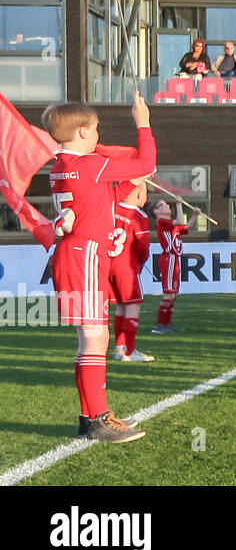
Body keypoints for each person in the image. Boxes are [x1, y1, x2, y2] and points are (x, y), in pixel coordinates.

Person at [43, 92, 155, 443]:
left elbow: (102, 195)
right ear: (80, 133)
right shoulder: (89, 164)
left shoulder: (63, 167)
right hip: (85, 256)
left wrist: (127, 181)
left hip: (76, 254)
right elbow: (146, 162)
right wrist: (143, 122)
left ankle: (91, 415)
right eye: (94, 130)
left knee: (91, 339)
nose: (98, 136)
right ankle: (97, 419)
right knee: (94, 339)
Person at [109, 179, 154, 362]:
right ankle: (130, 350)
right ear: (139, 194)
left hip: (108, 264)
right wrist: (141, 261)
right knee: (133, 306)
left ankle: (118, 349)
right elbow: (143, 247)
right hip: (126, 266)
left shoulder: (111, 209)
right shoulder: (139, 216)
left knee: (121, 307)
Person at [151, 200, 188, 334]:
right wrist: (179, 204)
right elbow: (179, 221)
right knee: (168, 293)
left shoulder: (170, 224)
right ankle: (159, 325)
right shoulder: (162, 221)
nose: (167, 206)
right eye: (162, 205)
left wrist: (195, 215)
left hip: (175, 259)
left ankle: (167, 323)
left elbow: (185, 227)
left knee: (172, 294)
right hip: (169, 258)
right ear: (156, 212)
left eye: (167, 204)